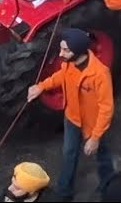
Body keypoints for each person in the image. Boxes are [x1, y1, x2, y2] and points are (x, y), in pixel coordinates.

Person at [28, 28, 115, 200]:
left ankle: (109, 187)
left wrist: (95, 137)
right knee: (69, 153)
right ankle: (64, 191)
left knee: (102, 156)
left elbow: (106, 108)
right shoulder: (69, 64)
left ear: (79, 50)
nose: (61, 53)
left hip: (93, 123)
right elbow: (61, 76)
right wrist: (41, 86)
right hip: (72, 118)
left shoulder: (100, 74)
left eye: (65, 50)